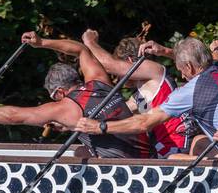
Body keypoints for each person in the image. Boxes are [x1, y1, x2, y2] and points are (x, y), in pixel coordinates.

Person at [73, 37, 218, 160]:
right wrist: (215, 48)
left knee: (174, 159)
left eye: (182, 71)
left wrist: (100, 127)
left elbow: (145, 122)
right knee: (200, 143)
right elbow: (215, 55)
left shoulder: (188, 93)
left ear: (190, 67)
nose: (182, 77)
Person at [0, 31, 149, 158]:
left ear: (59, 92)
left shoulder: (63, 107)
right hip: (149, 155)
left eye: (52, 97)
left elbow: (15, 117)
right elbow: (81, 49)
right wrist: (42, 42)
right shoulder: (100, 80)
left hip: (125, 168)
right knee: (81, 151)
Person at [79, 29, 186, 157]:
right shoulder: (139, 95)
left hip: (179, 143)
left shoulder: (155, 70)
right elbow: (116, 111)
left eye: (118, 73)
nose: (117, 77)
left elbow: (109, 65)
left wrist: (89, 42)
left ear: (129, 60)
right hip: (164, 147)